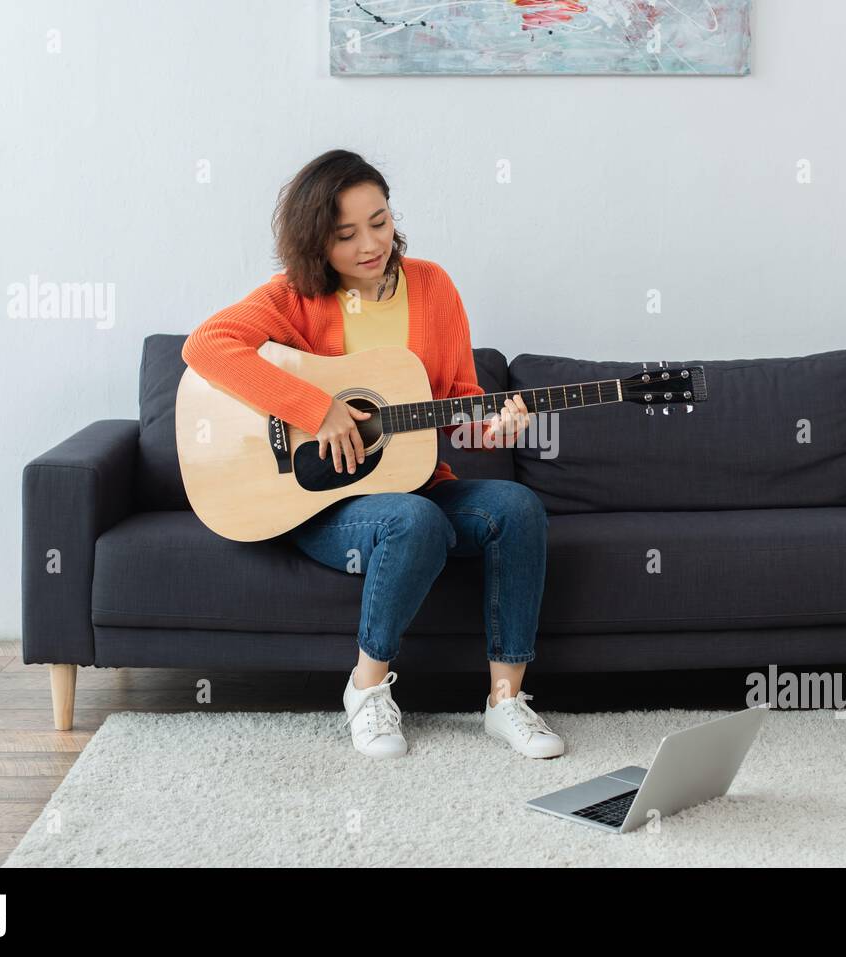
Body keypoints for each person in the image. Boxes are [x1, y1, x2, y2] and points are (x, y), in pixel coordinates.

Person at [181, 149, 564, 761]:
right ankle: (365, 690)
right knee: (413, 520)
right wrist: (316, 409)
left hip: (418, 481)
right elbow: (206, 346)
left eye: (380, 222)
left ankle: (504, 701)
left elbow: (459, 404)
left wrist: (493, 426)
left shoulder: (433, 287)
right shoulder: (292, 298)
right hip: (324, 504)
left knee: (516, 506)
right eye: (346, 234)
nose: (370, 244)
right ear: (314, 241)